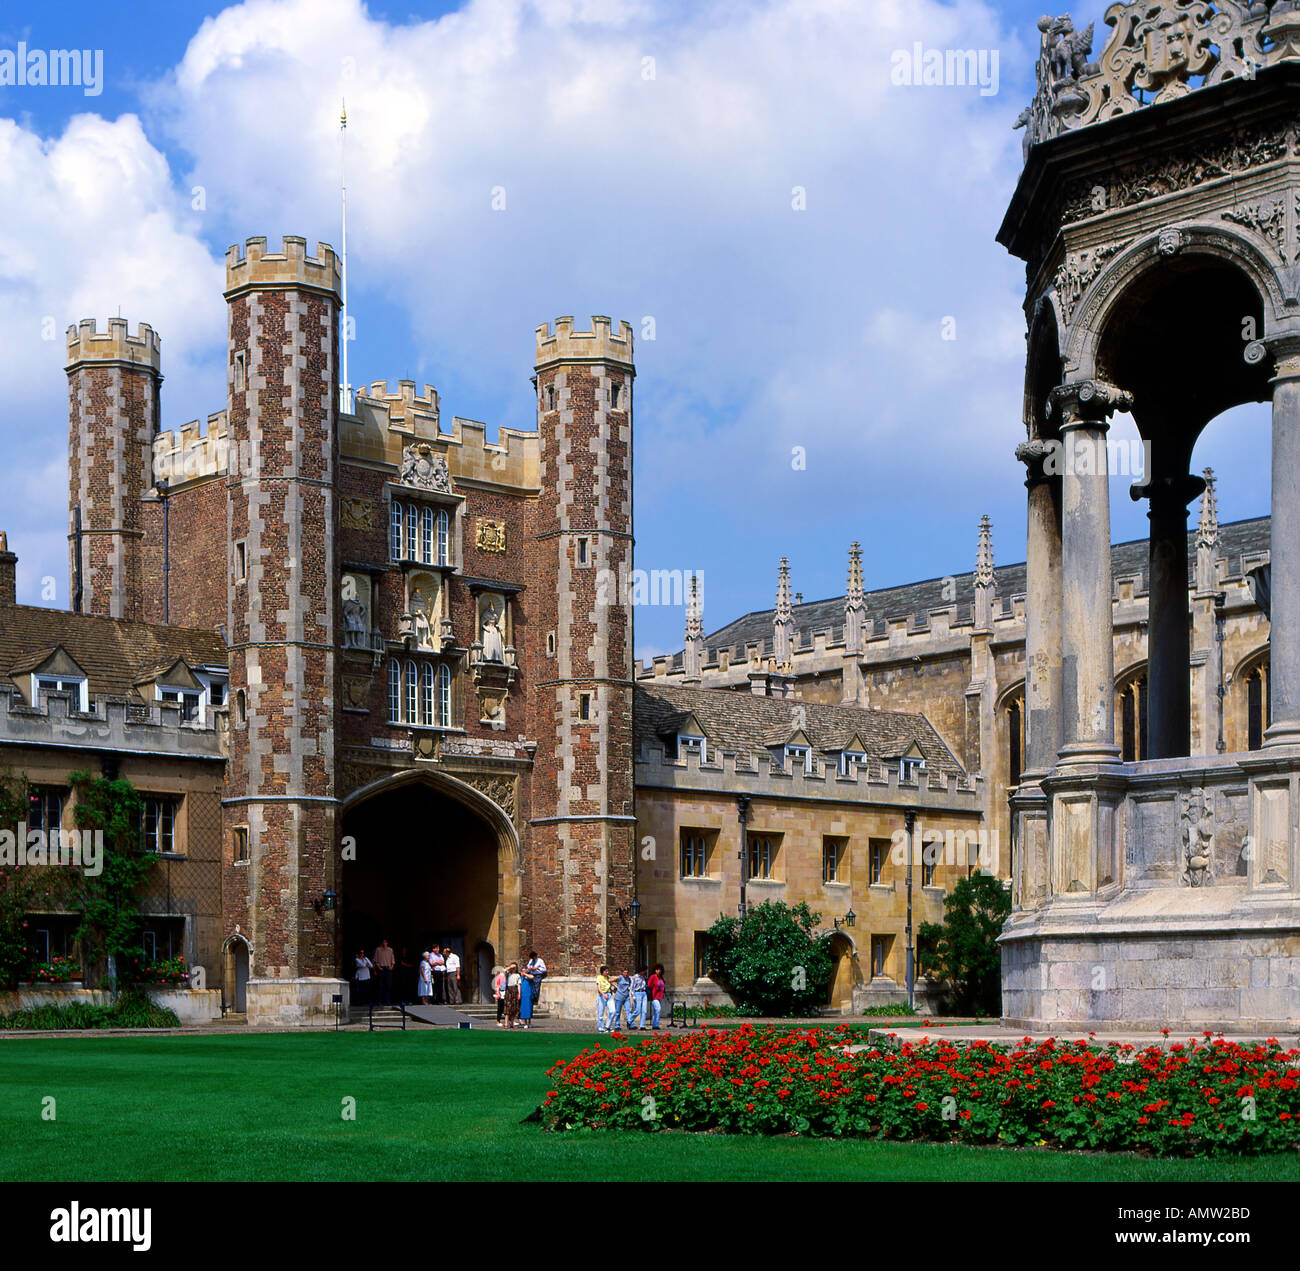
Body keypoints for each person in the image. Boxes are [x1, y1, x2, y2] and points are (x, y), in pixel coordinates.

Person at [373, 939, 395, 1005]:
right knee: (380, 986)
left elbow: (393, 959)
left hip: (388, 968)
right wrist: (379, 967)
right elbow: (375, 960)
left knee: (388, 985)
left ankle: (387, 1001)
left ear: (387, 943)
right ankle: (380, 1001)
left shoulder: (390, 950)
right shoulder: (378, 949)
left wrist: (392, 966)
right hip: (381, 969)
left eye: (385, 942)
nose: (384, 943)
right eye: (383, 942)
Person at [595, 964, 614, 1033]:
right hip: (602, 996)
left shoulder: (608, 977)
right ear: (602, 972)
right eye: (606, 971)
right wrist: (603, 994)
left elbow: (611, 983)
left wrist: (616, 987)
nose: (607, 972)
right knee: (600, 1013)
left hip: (609, 995)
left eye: (607, 971)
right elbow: (599, 987)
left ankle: (608, 1026)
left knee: (612, 1011)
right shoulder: (599, 978)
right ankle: (601, 1028)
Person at [648, 963, 666, 1029]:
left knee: (657, 1010)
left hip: (660, 996)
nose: (658, 971)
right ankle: (656, 1024)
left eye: (660, 970)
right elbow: (649, 985)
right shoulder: (652, 977)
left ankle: (654, 1024)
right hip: (654, 996)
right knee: (658, 1009)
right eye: (657, 969)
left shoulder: (661, 978)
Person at [504, 962, 522, 1029]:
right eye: (513, 967)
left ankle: (512, 1023)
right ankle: (506, 1023)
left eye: (515, 967)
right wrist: (510, 967)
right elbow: (503, 970)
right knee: (507, 1007)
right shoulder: (508, 974)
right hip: (509, 990)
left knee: (514, 1008)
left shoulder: (518, 975)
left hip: (515, 990)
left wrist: (519, 994)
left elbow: (519, 985)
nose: (514, 968)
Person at [519, 960, 535, 1029]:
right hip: (523, 995)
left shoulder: (528, 977)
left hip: (528, 995)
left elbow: (532, 977)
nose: (523, 972)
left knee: (529, 1009)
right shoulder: (520, 978)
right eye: (522, 971)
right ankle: (525, 1023)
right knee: (524, 1010)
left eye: (524, 971)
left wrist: (525, 974)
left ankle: (529, 1022)